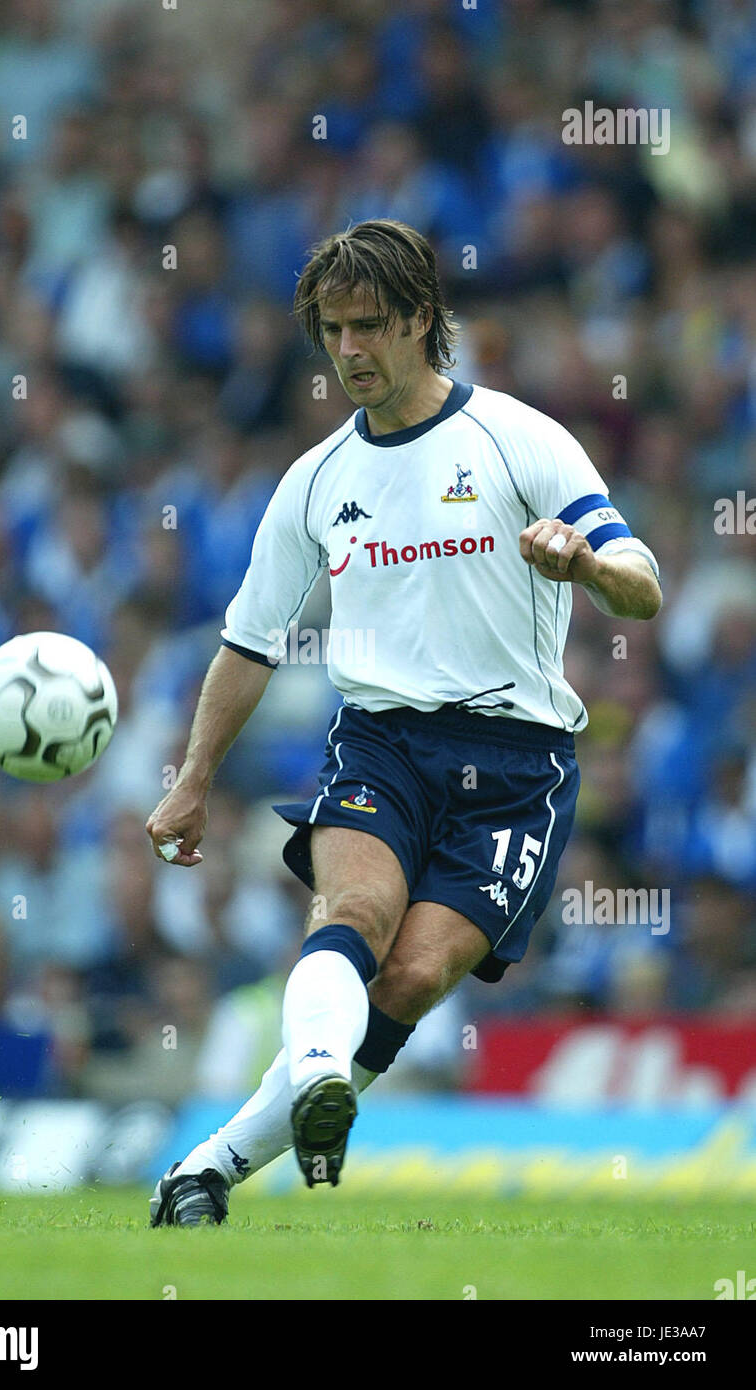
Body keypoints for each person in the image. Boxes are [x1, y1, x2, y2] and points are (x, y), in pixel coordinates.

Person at [146, 219, 661, 1227]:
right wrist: (193, 775)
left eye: (368, 327)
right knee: (355, 918)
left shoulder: (519, 438)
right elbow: (248, 641)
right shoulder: (315, 481)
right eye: (331, 332)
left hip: (518, 761)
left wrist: (588, 566)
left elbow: (640, 586)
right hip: (382, 741)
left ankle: (202, 1168)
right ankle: (320, 1076)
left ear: (422, 318)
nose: (348, 352)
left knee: (416, 974)